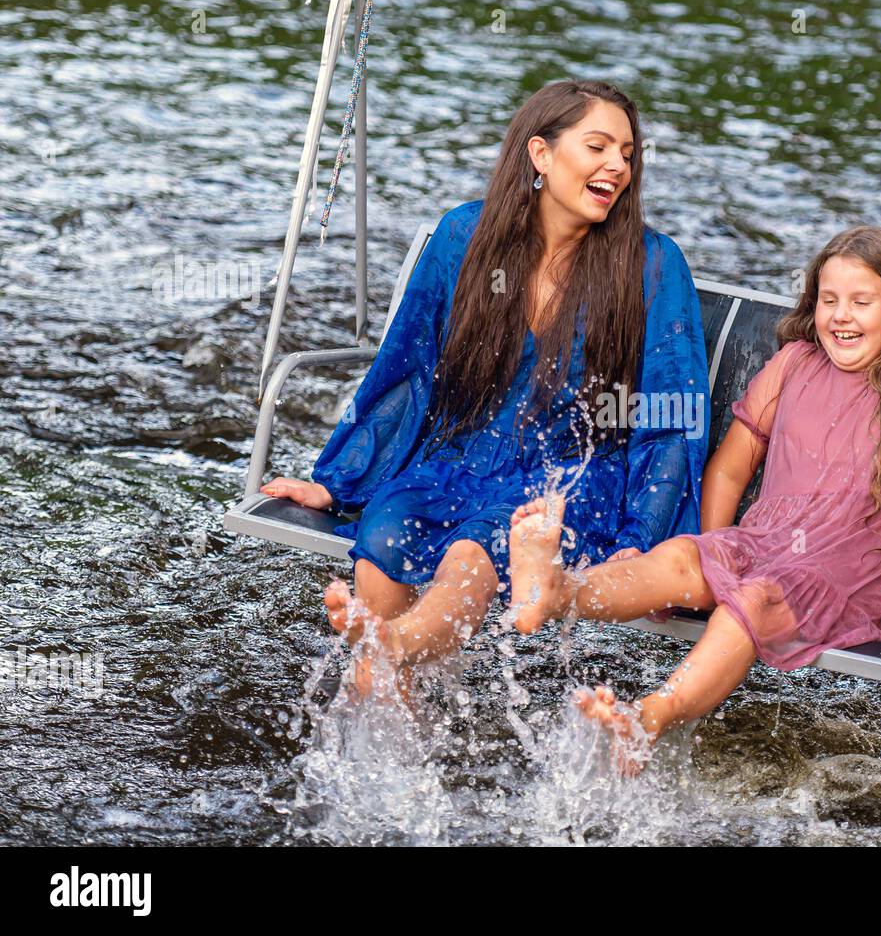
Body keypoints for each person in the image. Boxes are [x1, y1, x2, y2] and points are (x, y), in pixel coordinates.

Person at [506, 225, 881, 773]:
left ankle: (651, 714)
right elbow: (731, 468)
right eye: (828, 300)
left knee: (758, 595)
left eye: (861, 302)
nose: (841, 316)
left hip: (854, 573)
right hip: (766, 542)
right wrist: (712, 543)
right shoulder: (794, 365)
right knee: (680, 558)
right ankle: (554, 592)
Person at [259, 80, 709, 687]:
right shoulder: (464, 237)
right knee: (386, 532)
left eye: (628, 154)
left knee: (475, 552)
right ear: (541, 154)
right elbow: (407, 366)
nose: (617, 167)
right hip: (465, 457)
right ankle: (396, 746)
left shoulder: (652, 264)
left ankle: (388, 645)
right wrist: (338, 481)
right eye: (599, 146)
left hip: (573, 477)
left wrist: (644, 535)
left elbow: (670, 413)